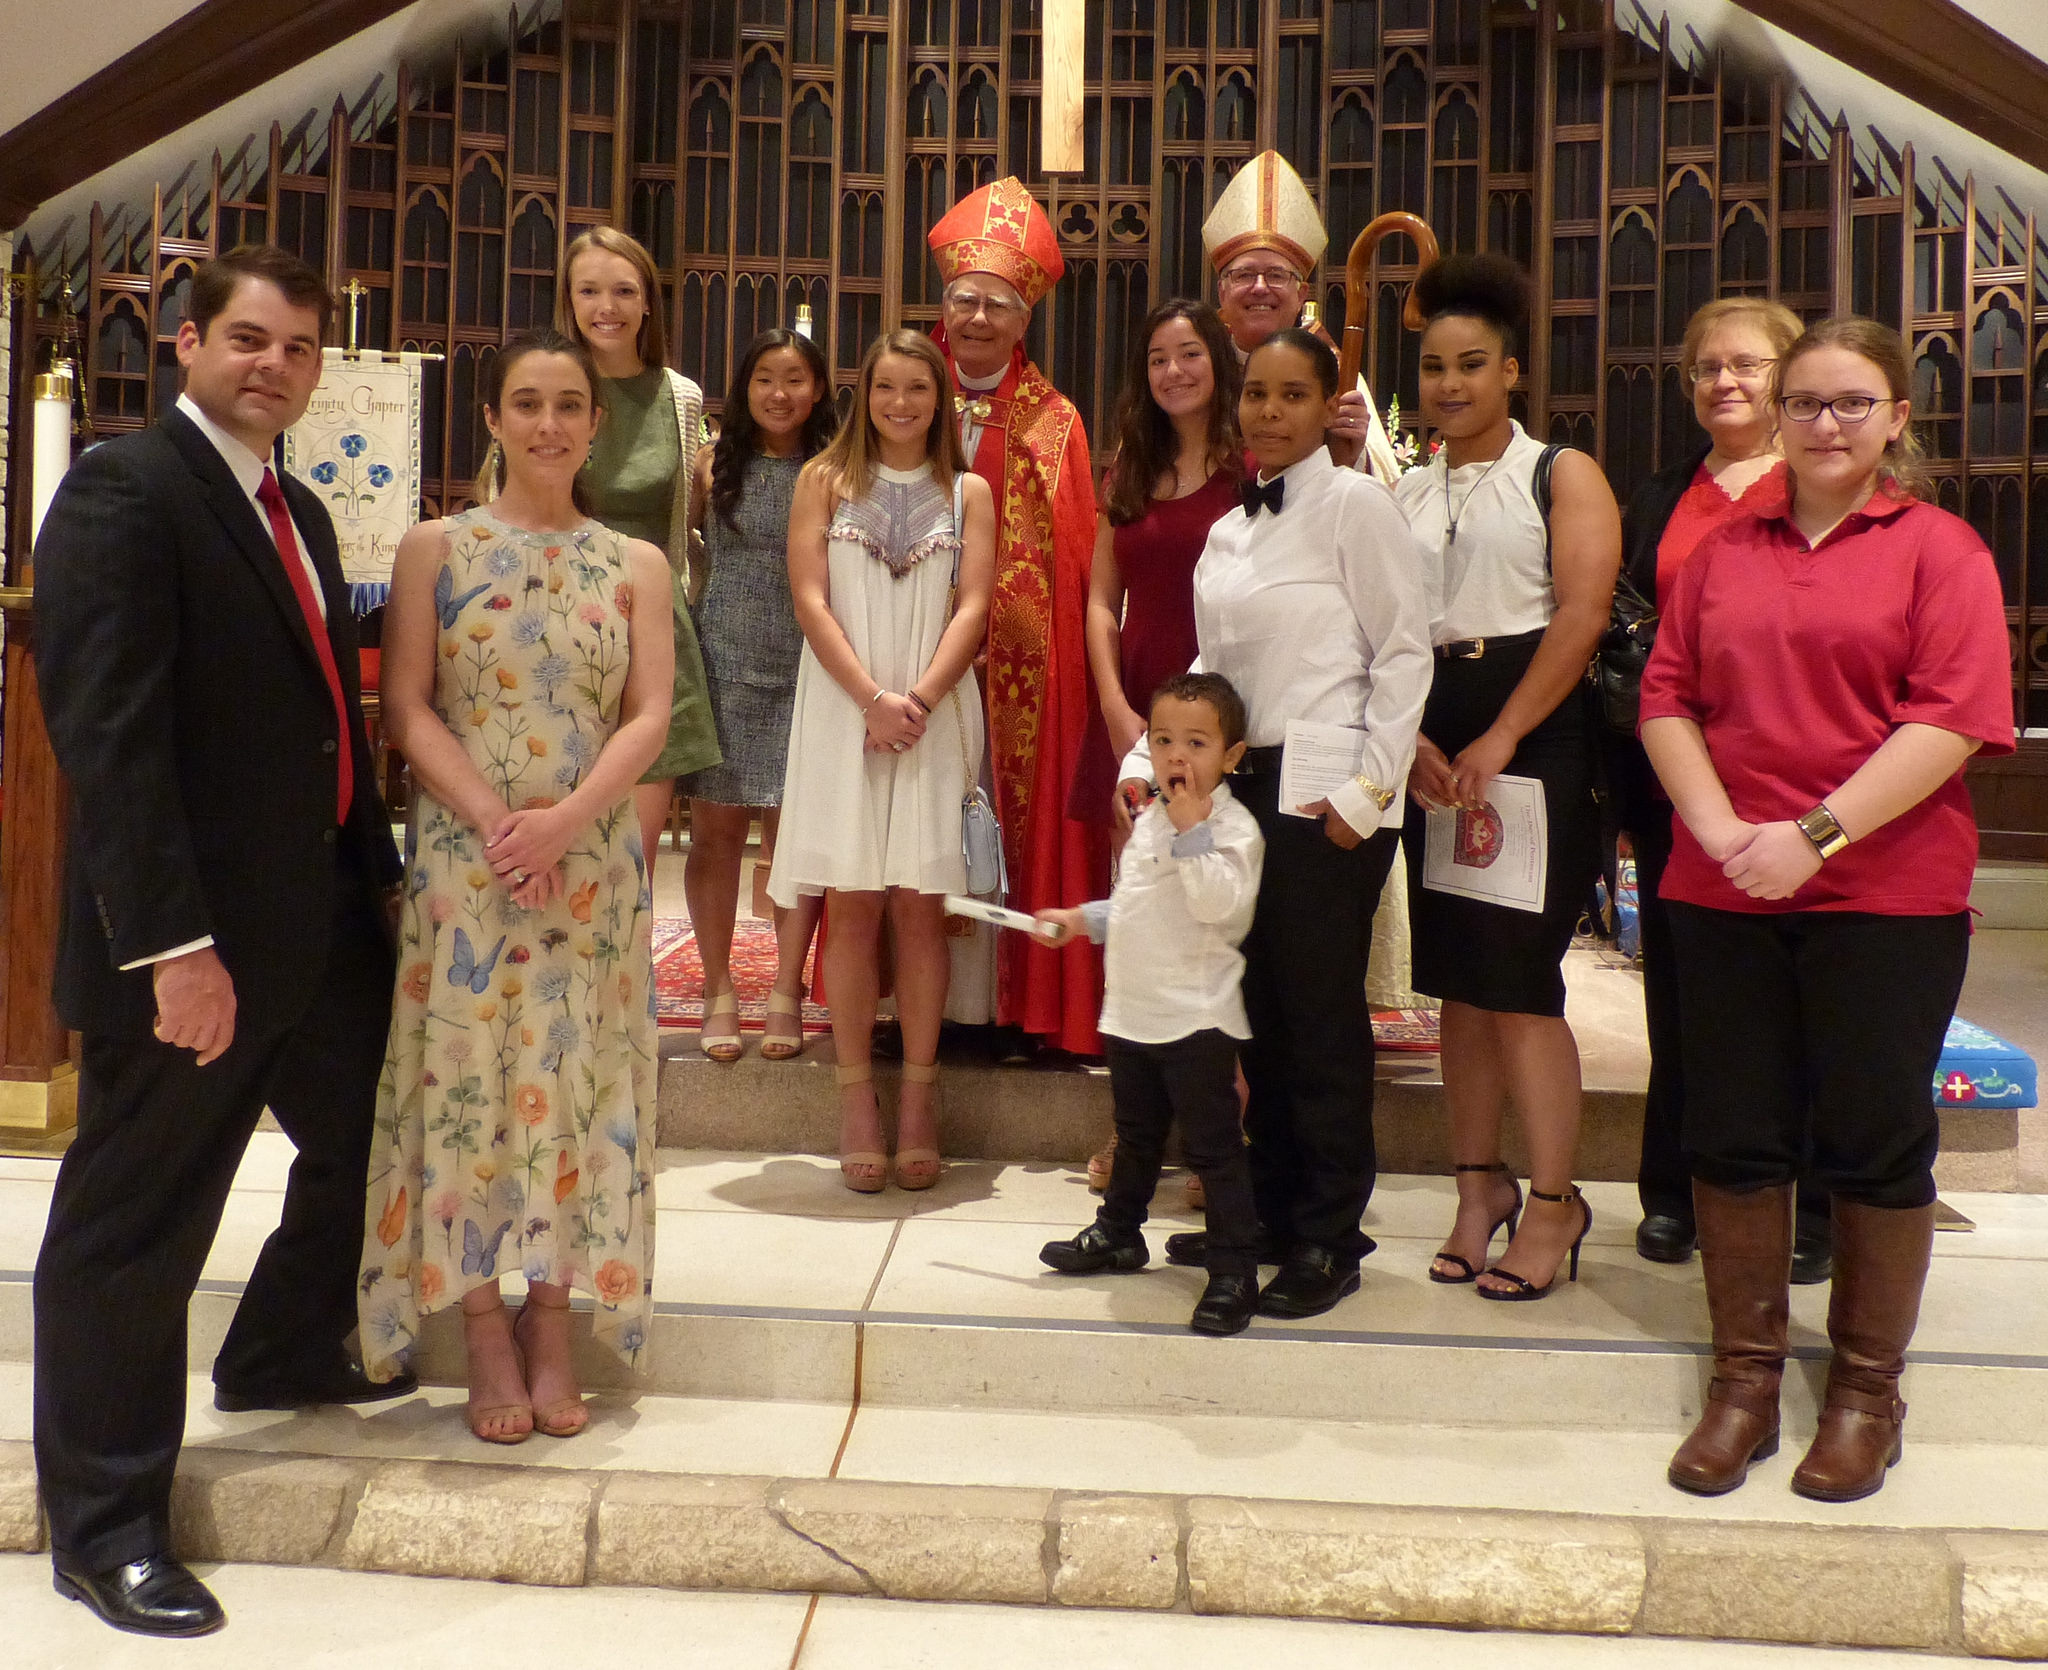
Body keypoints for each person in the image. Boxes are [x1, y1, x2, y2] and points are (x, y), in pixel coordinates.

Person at [32, 245, 409, 1638]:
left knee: (378, 1132)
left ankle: (280, 1345)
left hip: (316, 918)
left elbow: (323, 721)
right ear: (188, 344)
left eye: (298, 348)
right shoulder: (126, 491)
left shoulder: (294, 508)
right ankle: (107, 1526)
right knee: (137, 1227)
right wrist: (171, 946)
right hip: (195, 943)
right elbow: (110, 738)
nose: (274, 366)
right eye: (249, 338)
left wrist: (377, 884)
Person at [1642, 317, 2010, 1502]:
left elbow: (1950, 718)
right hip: (1722, 881)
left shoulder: (1938, 549)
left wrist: (1809, 836)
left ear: (1895, 418)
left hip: (1881, 890)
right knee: (1731, 1131)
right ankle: (1743, 1380)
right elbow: (1665, 697)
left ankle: (1862, 1391)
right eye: (1804, 401)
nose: (1824, 423)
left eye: (1852, 402)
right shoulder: (1720, 548)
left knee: (1871, 1133)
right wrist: (1719, 834)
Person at [357, 329, 672, 1445]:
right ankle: (484, 1322)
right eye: (526, 403)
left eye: (569, 404)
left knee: (575, 1079)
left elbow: (648, 715)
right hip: (469, 862)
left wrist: (565, 822)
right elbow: (407, 706)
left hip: (588, 863)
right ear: (491, 417)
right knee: (469, 1076)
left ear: (596, 424)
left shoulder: (636, 563)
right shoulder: (435, 548)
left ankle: (552, 1316)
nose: (548, 423)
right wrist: (500, 824)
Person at [1117, 329, 1434, 1319]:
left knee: (1318, 1017)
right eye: (1255, 392)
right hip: (1241, 787)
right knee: (1254, 1007)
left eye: (1292, 394)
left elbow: (1403, 651)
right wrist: (1152, 760)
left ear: (1328, 403)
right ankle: (1269, 1213)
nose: (1268, 411)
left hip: (1328, 789)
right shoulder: (1226, 530)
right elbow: (1210, 674)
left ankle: (1329, 1233)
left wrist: (1370, 791)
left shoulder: (1357, 505)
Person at [1394, 254, 1621, 1302]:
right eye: (1435, 367)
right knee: (1459, 985)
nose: (1450, 385)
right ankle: (1476, 1186)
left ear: (1512, 371)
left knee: (1520, 984)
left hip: (1533, 741)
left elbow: (1581, 613)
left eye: (1472, 364)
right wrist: (1408, 737)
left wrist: (1501, 735)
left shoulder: (1557, 472)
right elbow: (1385, 630)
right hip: (1434, 747)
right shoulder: (1405, 489)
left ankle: (1555, 1199)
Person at [1610, 298, 1835, 1281]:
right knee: (1684, 994)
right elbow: (1627, 636)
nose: (1723, 382)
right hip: (1679, 784)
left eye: (1745, 364)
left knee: (1804, 1000)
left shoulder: (1823, 482)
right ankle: (1676, 1188)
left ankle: (1810, 1204)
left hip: (1806, 783)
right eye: (1705, 368)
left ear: (1789, 376)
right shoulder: (1663, 495)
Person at [769, 331, 996, 1191]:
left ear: (941, 401)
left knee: (919, 907)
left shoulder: (968, 491)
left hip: (931, 711)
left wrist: (919, 701)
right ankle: (857, 1096)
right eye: (886, 387)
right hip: (844, 707)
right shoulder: (823, 480)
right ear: (864, 395)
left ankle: (920, 1101)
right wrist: (870, 698)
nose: (901, 404)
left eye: (918, 390)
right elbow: (809, 598)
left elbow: (973, 605)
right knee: (853, 904)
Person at [926, 177, 1107, 1056]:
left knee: (1000, 818)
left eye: (997, 304)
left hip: (1014, 674)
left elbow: (1072, 564)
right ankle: (920, 1010)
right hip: (908, 659)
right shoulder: (902, 400)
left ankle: (1012, 1010)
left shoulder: (1053, 424)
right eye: (965, 300)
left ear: (1023, 318)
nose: (978, 318)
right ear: (943, 306)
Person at [1073, 299, 1245, 1193]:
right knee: (1141, 924)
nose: (1173, 372)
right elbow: (1102, 599)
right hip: (1136, 706)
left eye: (1189, 355)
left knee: (1212, 927)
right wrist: (1113, 705)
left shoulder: (1253, 466)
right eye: (1157, 359)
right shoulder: (1131, 467)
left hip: (1222, 715)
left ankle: (1225, 1134)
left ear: (1218, 361)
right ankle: (1134, 1131)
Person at [1039, 674, 1265, 1335]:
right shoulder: (1150, 822)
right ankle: (1119, 1232)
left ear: (1231, 755)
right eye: (1163, 740)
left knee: (1213, 1148)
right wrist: (1081, 920)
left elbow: (1218, 905)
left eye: (1196, 743)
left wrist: (1193, 830)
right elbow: (1139, 905)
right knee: (1135, 1135)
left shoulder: (1233, 829)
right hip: (1134, 1010)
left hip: (1196, 1016)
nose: (1176, 756)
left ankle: (1233, 1268)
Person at [681, 327, 837, 1062]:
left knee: (793, 842)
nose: (780, 393)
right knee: (715, 836)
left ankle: (785, 990)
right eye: (765, 379)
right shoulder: (712, 463)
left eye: (796, 379)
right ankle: (718, 988)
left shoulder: (837, 469)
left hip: (811, 665)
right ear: (744, 388)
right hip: (724, 658)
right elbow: (680, 547)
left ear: (819, 389)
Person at [554, 226, 720, 894]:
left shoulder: (680, 396)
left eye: (624, 291)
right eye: (589, 291)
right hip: (559, 617)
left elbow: (689, 518)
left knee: (632, 864)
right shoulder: (543, 383)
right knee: (558, 845)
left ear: (649, 301)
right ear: (569, 300)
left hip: (652, 624)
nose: (607, 307)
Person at [1202, 147, 1376, 467]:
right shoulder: (1197, 367)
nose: (1259, 287)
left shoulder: (1335, 372)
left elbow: (1378, 481)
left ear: (1301, 295)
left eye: (1276, 275)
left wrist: (1353, 452)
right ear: (1222, 291)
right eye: (1244, 275)